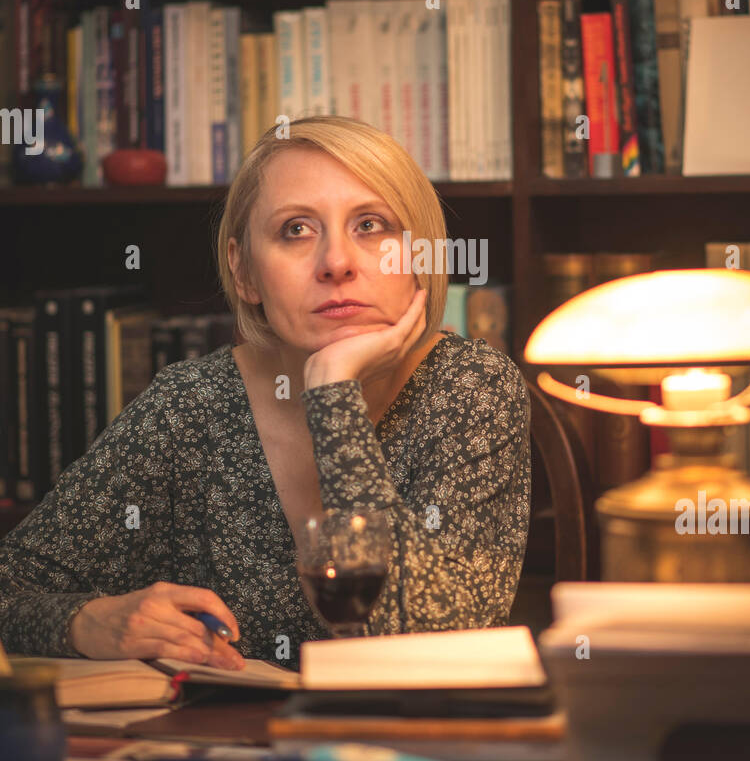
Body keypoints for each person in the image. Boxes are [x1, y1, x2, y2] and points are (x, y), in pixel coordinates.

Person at [0, 116, 531, 671]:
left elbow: (420, 647)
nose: (337, 263)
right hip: (226, 750)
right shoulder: (192, 405)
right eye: (296, 230)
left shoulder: (471, 388)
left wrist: (333, 397)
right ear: (245, 272)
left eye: (372, 225)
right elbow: (11, 588)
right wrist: (89, 621)